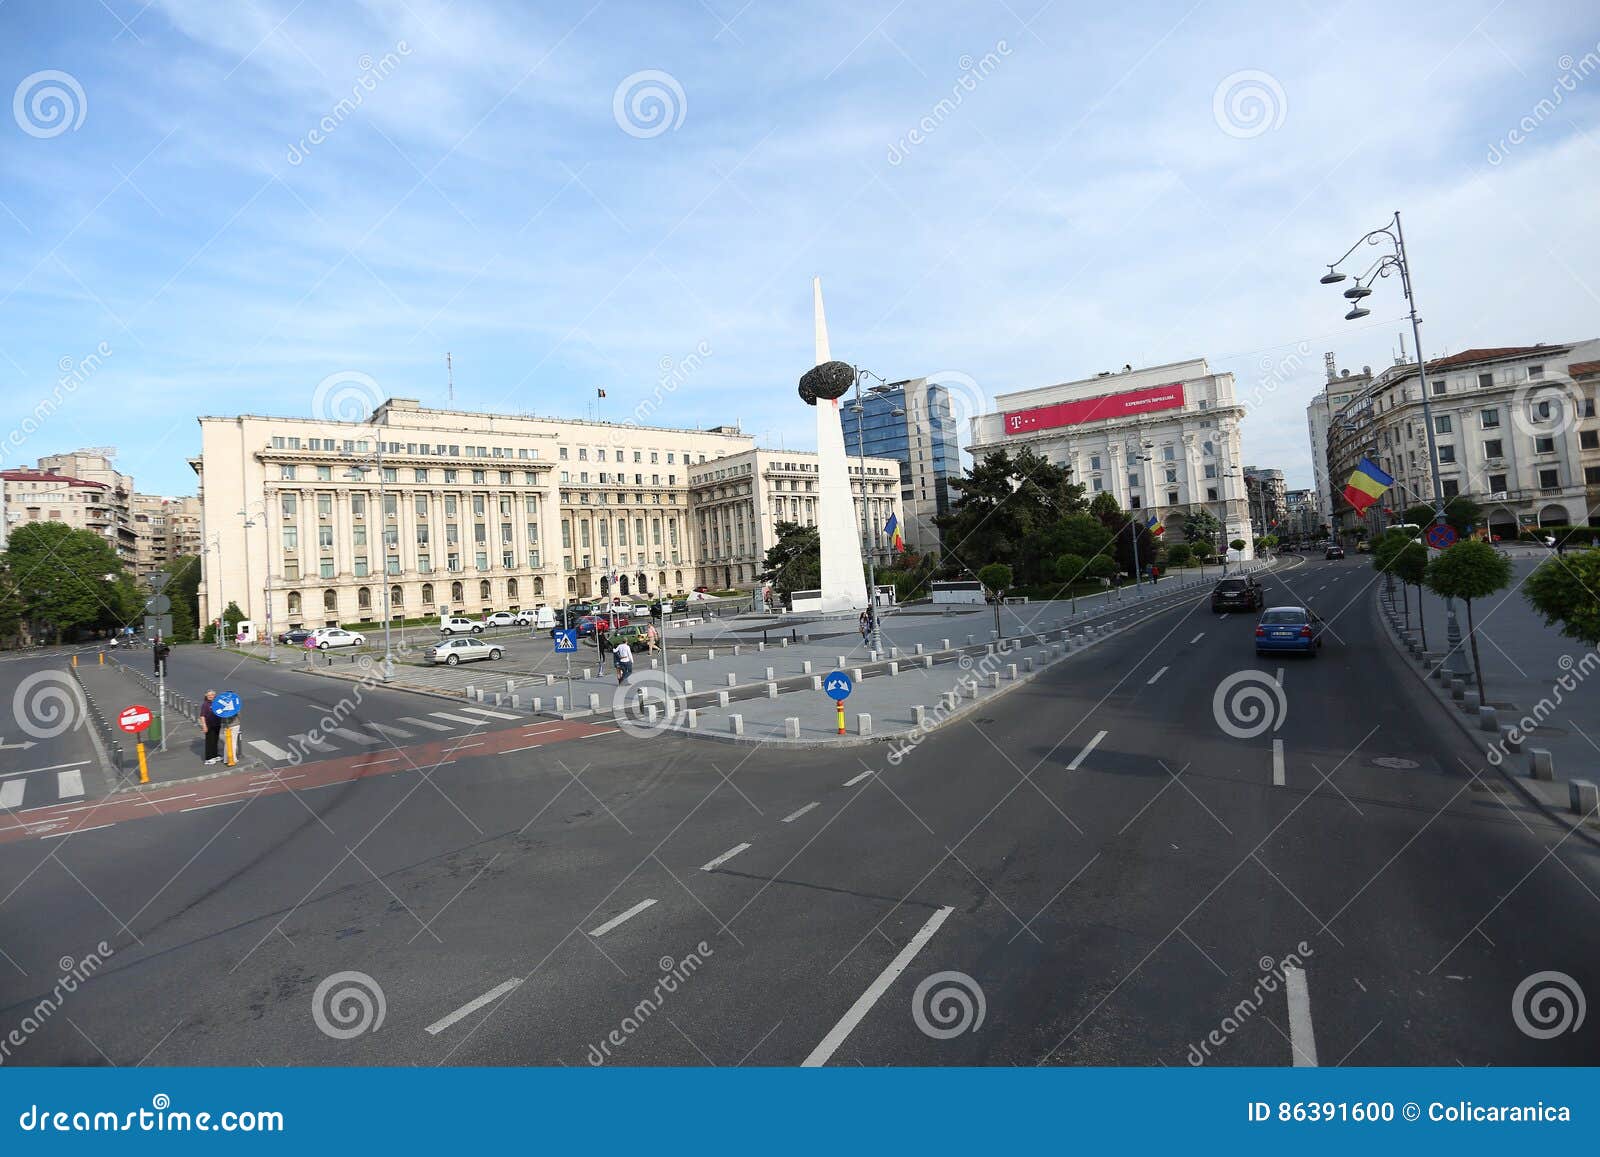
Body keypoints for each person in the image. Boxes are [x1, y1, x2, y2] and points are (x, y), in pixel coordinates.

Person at [200, 689, 222, 765]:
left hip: (216, 724)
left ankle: (215, 755)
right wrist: (204, 726)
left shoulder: (216, 703)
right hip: (209, 725)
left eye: (212, 695)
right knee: (210, 742)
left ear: (214, 695)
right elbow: (202, 716)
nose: (211, 696)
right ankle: (208, 758)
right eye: (209, 695)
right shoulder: (205, 704)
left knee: (215, 740)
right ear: (206, 695)